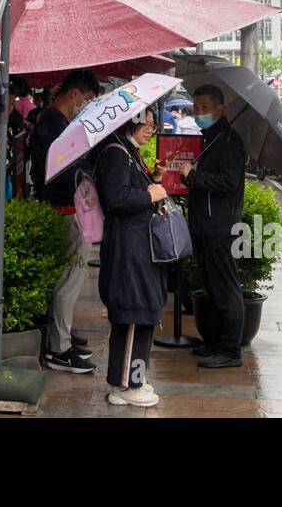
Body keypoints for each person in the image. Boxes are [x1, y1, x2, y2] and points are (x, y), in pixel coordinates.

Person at [94, 108, 168, 406]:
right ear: (130, 122)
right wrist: (150, 195)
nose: (150, 130)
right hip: (128, 249)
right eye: (146, 123)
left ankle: (132, 378)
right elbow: (115, 198)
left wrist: (154, 177)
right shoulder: (115, 152)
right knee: (133, 313)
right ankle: (125, 385)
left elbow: (130, 189)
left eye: (153, 125)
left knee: (141, 312)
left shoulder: (128, 151)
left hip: (137, 245)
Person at [32, 69, 102, 374]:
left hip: (67, 209)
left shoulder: (57, 123)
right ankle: (58, 349)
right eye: (86, 100)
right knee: (69, 280)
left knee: (68, 280)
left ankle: (61, 337)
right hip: (65, 210)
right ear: (75, 94)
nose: (85, 106)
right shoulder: (53, 125)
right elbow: (56, 174)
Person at [180, 84, 247, 369]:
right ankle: (217, 341)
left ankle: (230, 349)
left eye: (204, 108)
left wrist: (195, 176)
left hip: (221, 225)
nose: (198, 113)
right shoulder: (210, 138)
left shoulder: (229, 141)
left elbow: (229, 181)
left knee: (226, 287)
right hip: (205, 224)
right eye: (195, 108)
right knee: (212, 286)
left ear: (219, 108)